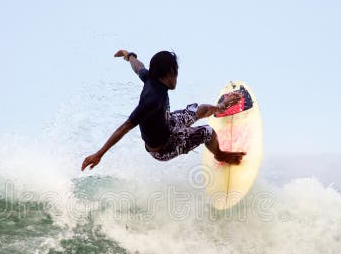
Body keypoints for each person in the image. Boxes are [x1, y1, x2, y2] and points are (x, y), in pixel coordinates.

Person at [80, 50, 246, 171]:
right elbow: (124, 128)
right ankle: (220, 154)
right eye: (176, 73)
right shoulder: (152, 101)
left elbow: (138, 67)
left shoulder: (149, 77)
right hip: (164, 147)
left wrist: (129, 55)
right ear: (169, 73)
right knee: (207, 132)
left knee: (197, 109)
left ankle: (220, 108)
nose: (177, 78)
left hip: (168, 123)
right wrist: (99, 153)